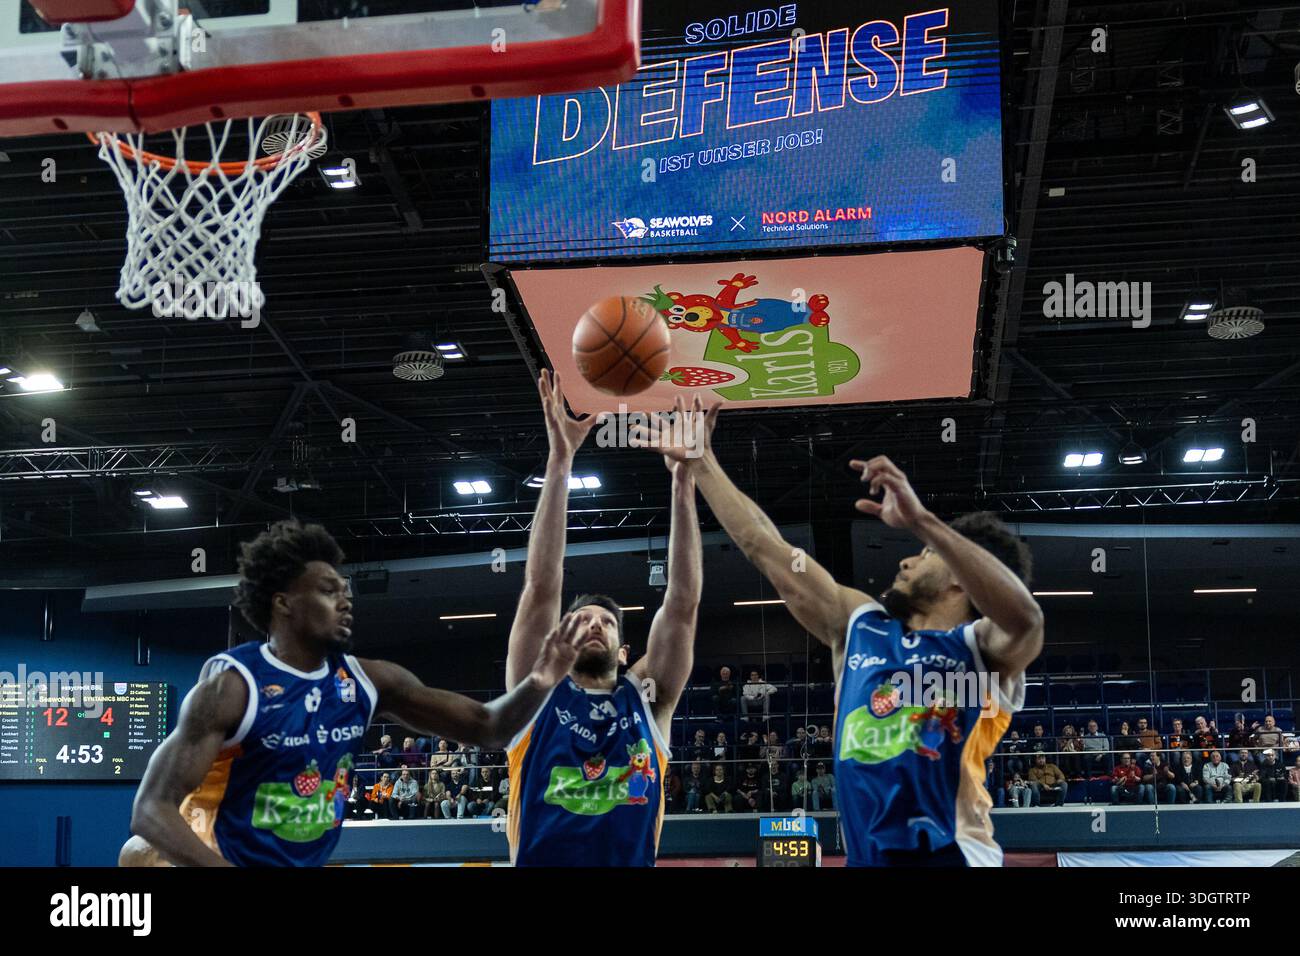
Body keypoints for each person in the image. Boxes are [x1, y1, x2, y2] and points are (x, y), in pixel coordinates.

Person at [633, 407, 1042, 866]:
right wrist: (701, 461)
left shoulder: (982, 651)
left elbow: (1025, 619)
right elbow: (767, 548)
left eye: (925, 555)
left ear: (962, 578)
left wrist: (927, 524)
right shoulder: (861, 626)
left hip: (955, 855)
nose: (906, 562)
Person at [118, 519, 583, 868]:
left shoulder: (368, 681)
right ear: (282, 603)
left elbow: (490, 729)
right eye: (327, 590)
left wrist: (542, 677)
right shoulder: (233, 688)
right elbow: (150, 808)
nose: (346, 599)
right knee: (136, 853)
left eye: (346, 590)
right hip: (219, 858)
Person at [501, 377, 703, 867]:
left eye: (607, 624)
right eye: (582, 620)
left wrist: (682, 481)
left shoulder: (648, 702)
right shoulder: (534, 694)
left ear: (625, 652)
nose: (594, 625)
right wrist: (560, 461)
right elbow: (542, 585)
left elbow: (681, 605)